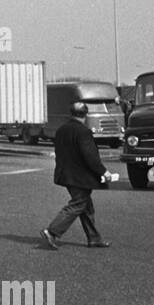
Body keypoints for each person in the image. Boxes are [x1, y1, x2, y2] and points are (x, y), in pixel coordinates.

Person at [40, 101, 111, 250]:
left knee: (86, 206)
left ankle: (94, 238)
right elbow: (90, 156)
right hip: (80, 176)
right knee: (78, 204)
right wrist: (104, 171)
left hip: (65, 174)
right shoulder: (83, 132)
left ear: (71, 113)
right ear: (85, 114)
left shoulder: (61, 130)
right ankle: (52, 231)